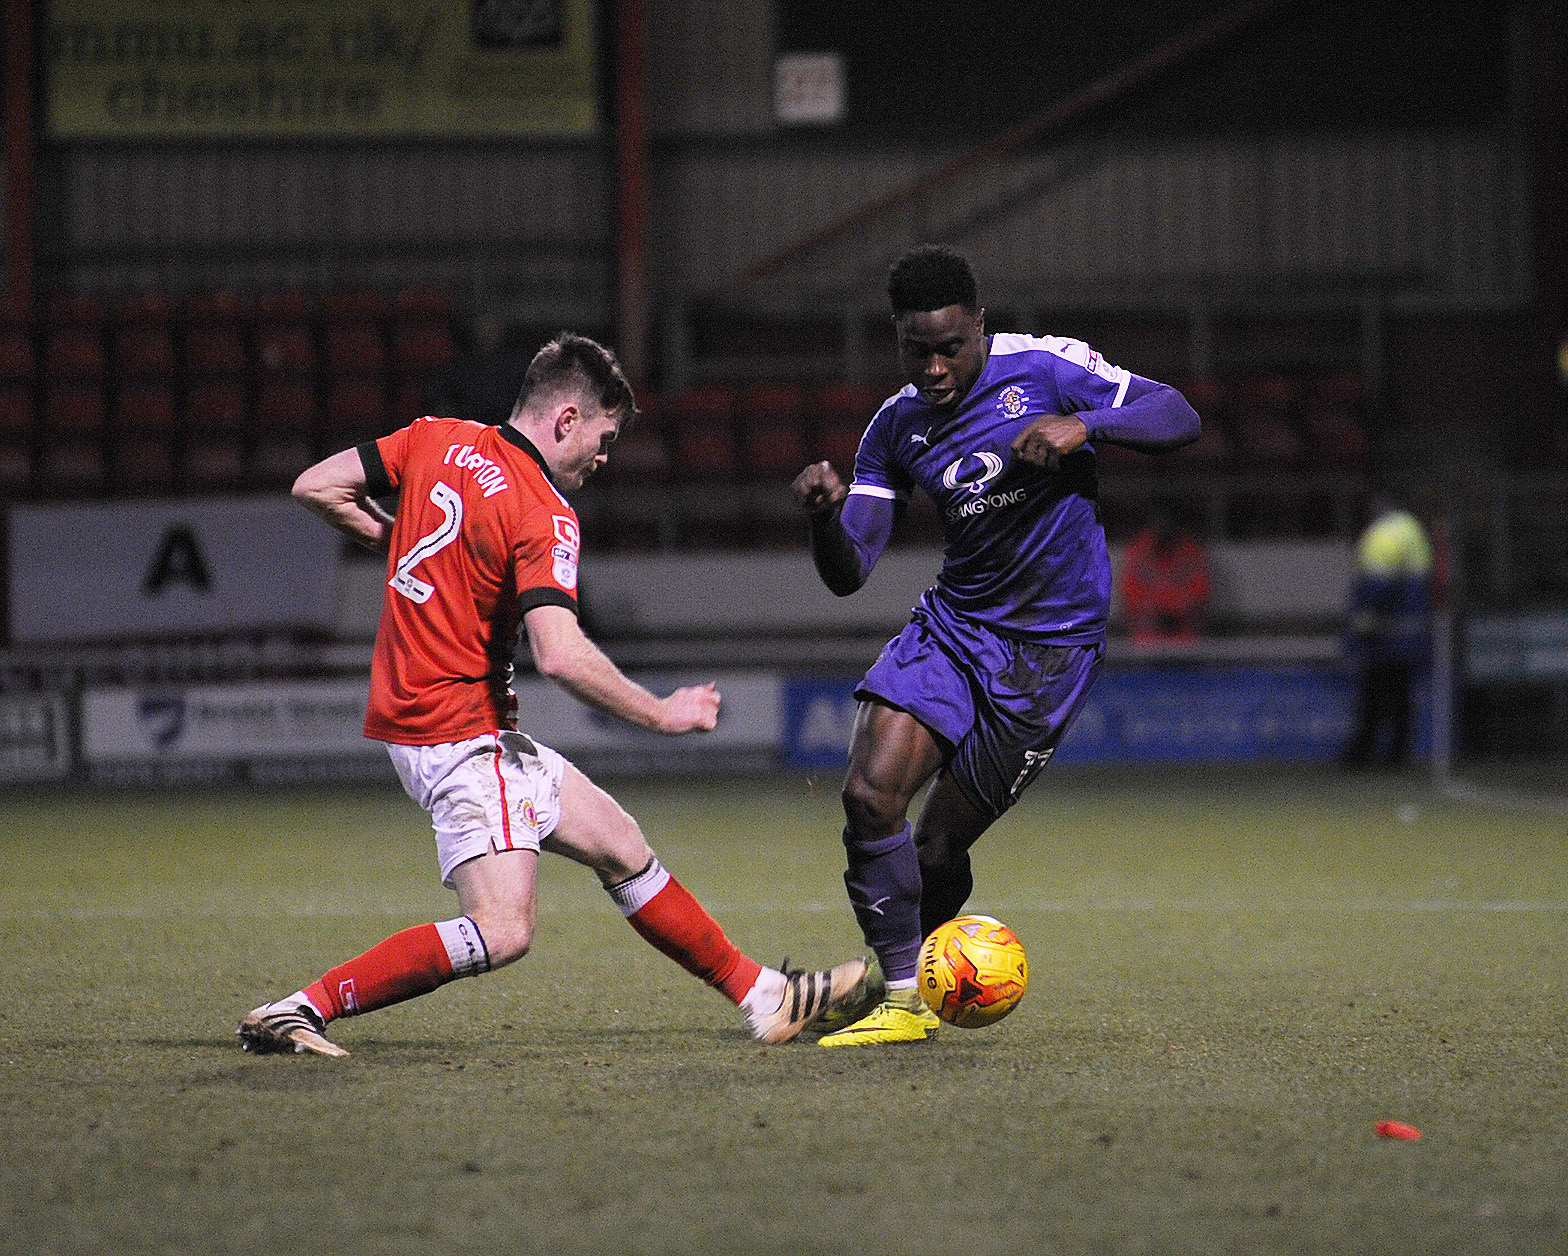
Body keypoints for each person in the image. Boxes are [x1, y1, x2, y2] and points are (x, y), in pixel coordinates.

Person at [239, 332, 866, 1057]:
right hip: (459, 733)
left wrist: (397, 541)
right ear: (566, 419)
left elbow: (314, 486)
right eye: (602, 437)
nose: (604, 457)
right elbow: (561, 657)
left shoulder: (433, 437)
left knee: (619, 844)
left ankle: (765, 996)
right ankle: (300, 1008)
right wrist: (662, 711)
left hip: (437, 723)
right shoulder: (544, 510)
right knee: (504, 931)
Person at [791, 245, 1200, 1046]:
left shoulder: (1048, 369)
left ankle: (903, 983)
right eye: (918, 350)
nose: (936, 367)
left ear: (980, 326)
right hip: (955, 627)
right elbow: (851, 570)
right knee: (870, 797)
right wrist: (822, 518)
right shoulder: (896, 426)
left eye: (951, 346)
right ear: (898, 341)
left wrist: (1087, 426)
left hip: (1048, 653)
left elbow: (1180, 415)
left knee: (937, 847)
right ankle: (904, 1002)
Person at [1340, 488, 1433, 768]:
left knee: (1373, 697)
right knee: (1402, 698)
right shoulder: (1413, 530)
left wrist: (1358, 624)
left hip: (1383, 634)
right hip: (1410, 633)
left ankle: (1363, 754)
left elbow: (1376, 587)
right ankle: (1398, 756)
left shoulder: (1383, 535)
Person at [1119, 505, 1214, 645]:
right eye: (1159, 524)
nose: (1164, 530)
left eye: (1169, 525)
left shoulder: (1191, 552)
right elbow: (1130, 597)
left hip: (1184, 632)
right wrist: (1156, 613)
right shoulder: (1138, 552)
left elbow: (1201, 594)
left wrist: (1177, 612)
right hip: (1148, 633)